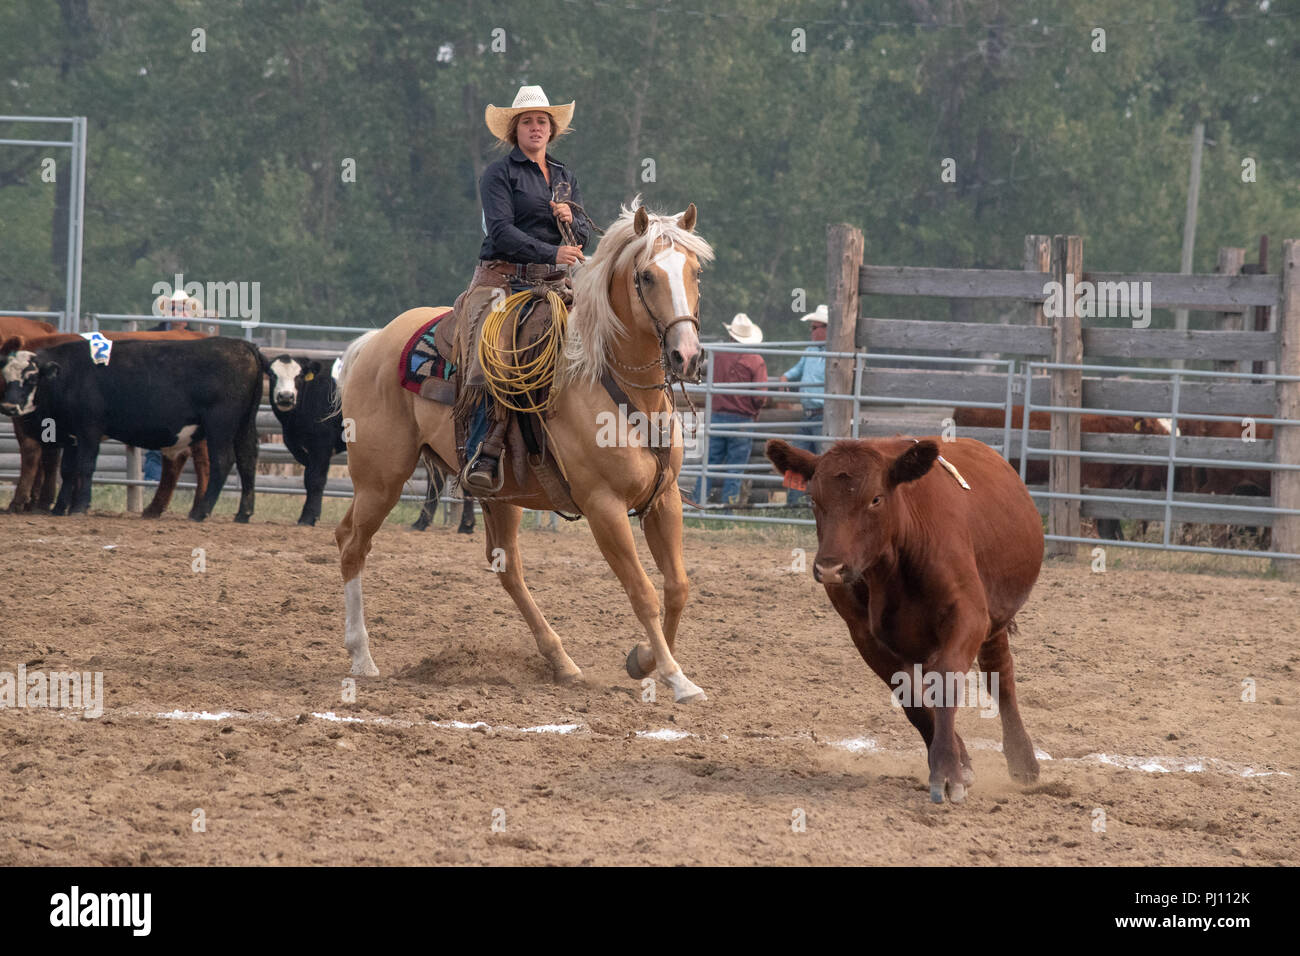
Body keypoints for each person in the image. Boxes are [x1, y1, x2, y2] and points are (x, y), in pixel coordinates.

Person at [459, 85, 592, 495]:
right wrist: (553, 251)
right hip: (502, 281)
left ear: (552, 130)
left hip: (554, 284)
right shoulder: (499, 174)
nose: (535, 128)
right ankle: (484, 448)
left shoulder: (565, 176)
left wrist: (572, 220)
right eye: (527, 122)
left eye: (541, 122)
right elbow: (500, 231)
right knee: (493, 354)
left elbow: (583, 235)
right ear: (513, 131)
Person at [696, 313, 767, 506]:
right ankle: (728, 507)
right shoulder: (755, 360)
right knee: (735, 469)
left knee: (708, 465)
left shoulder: (717, 355)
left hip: (717, 417)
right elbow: (760, 396)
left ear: (731, 335)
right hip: (742, 421)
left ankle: (697, 503)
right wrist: (755, 409)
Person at [143, 290, 194, 481]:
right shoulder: (151, 336)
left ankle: (172, 491)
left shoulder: (193, 339)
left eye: (185, 309)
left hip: (183, 401)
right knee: (155, 447)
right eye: (176, 309)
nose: (181, 314)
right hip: (155, 396)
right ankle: (152, 486)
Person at [779, 304, 828, 504]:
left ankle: (821, 503)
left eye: (816, 328)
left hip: (823, 415)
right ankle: (794, 503)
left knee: (824, 463)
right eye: (812, 328)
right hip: (808, 414)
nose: (812, 332)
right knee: (796, 459)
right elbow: (795, 371)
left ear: (827, 329)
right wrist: (784, 378)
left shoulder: (835, 353)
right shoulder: (810, 351)